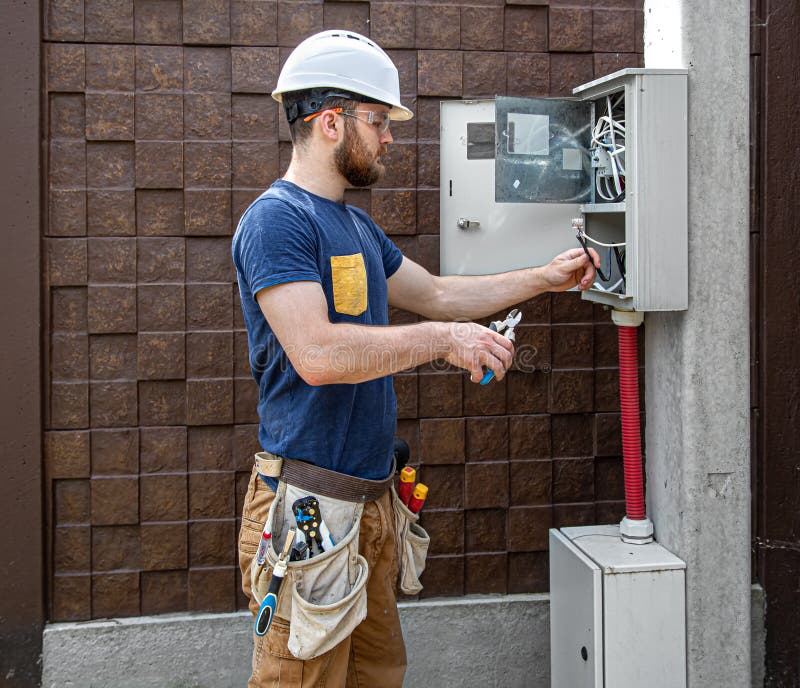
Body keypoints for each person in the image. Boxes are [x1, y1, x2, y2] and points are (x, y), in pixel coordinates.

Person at [232, 29, 599, 688]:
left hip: (370, 505)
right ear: (331, 121)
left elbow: (433, 293)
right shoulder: (276, 221)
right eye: (378, 121)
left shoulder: (355, 224)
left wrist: (543, 277)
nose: (390, 138)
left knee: (377, 677)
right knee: (301, 680)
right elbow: (316, 352)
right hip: (308, 508)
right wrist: (443, 341)